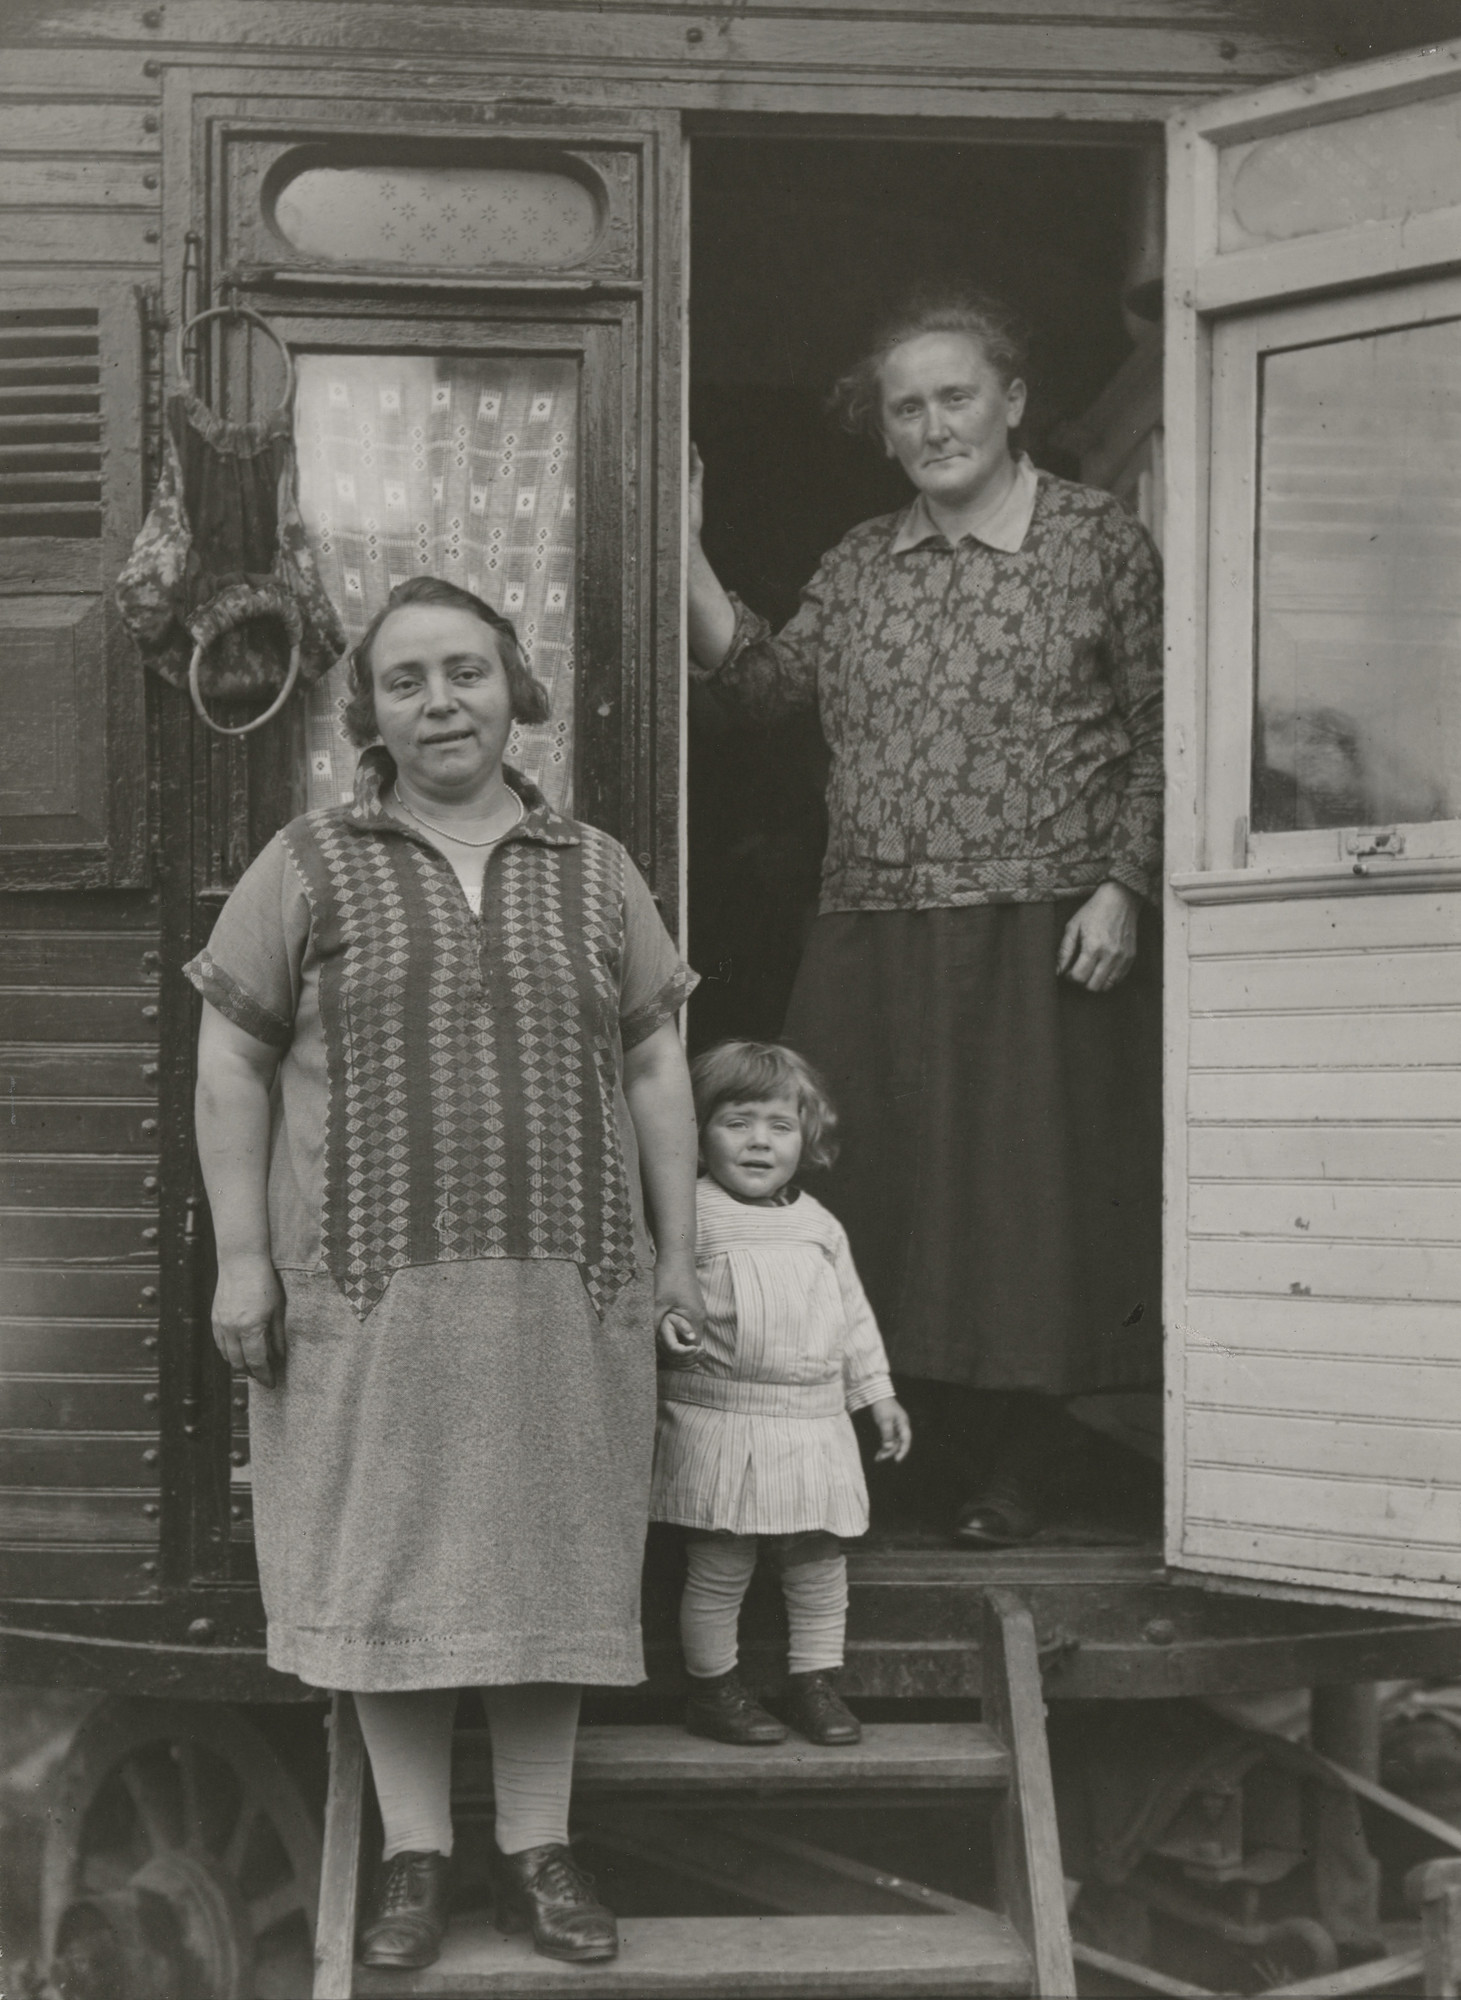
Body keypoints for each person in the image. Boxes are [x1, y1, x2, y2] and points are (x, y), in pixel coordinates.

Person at [187, 575, 705, 1973]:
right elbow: (230, 1057)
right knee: (390, 1564)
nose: (440, 704)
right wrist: (244, 1262)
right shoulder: (305, 862)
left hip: (567, 1287)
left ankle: (541, 1854)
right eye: (407, 680)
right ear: (371, 711)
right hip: (367, 1294)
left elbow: (654, 1060)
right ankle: (417, 1862)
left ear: (513, 686)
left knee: (550, 1564)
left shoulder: (596, 868)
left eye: (465, 673)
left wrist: (679, 1251)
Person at [687, 286, 1164, 1546]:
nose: (934, 423)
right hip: (877, 920)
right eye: (907, 407)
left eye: (957, 395)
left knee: (1022, 1202)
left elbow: (1171, 724)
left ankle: (1015, 1461)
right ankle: (906, 1443)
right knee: (881, 1190)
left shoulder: (1098, 541)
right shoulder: (857, 561)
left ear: (1013, 402)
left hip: (1045, 920)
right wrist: (684, 548)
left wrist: (1126, 882)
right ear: (882, 430)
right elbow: (761, 687)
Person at [650, 1040, 912, 1748]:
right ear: (697, 1133)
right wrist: (665, 1322)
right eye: (736, 1123)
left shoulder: (819, 1226)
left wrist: (875, 1395)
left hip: (811, 1423)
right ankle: (713, 1690)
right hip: (720, 1415)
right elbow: (657, 1293)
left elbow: (851, 1317)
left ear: (807, 1136)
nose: (759, 1142)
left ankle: (815, 1683)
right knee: (720, 1559)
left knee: (816, 1555)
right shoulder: (687, 1214)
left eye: (779, 1125)